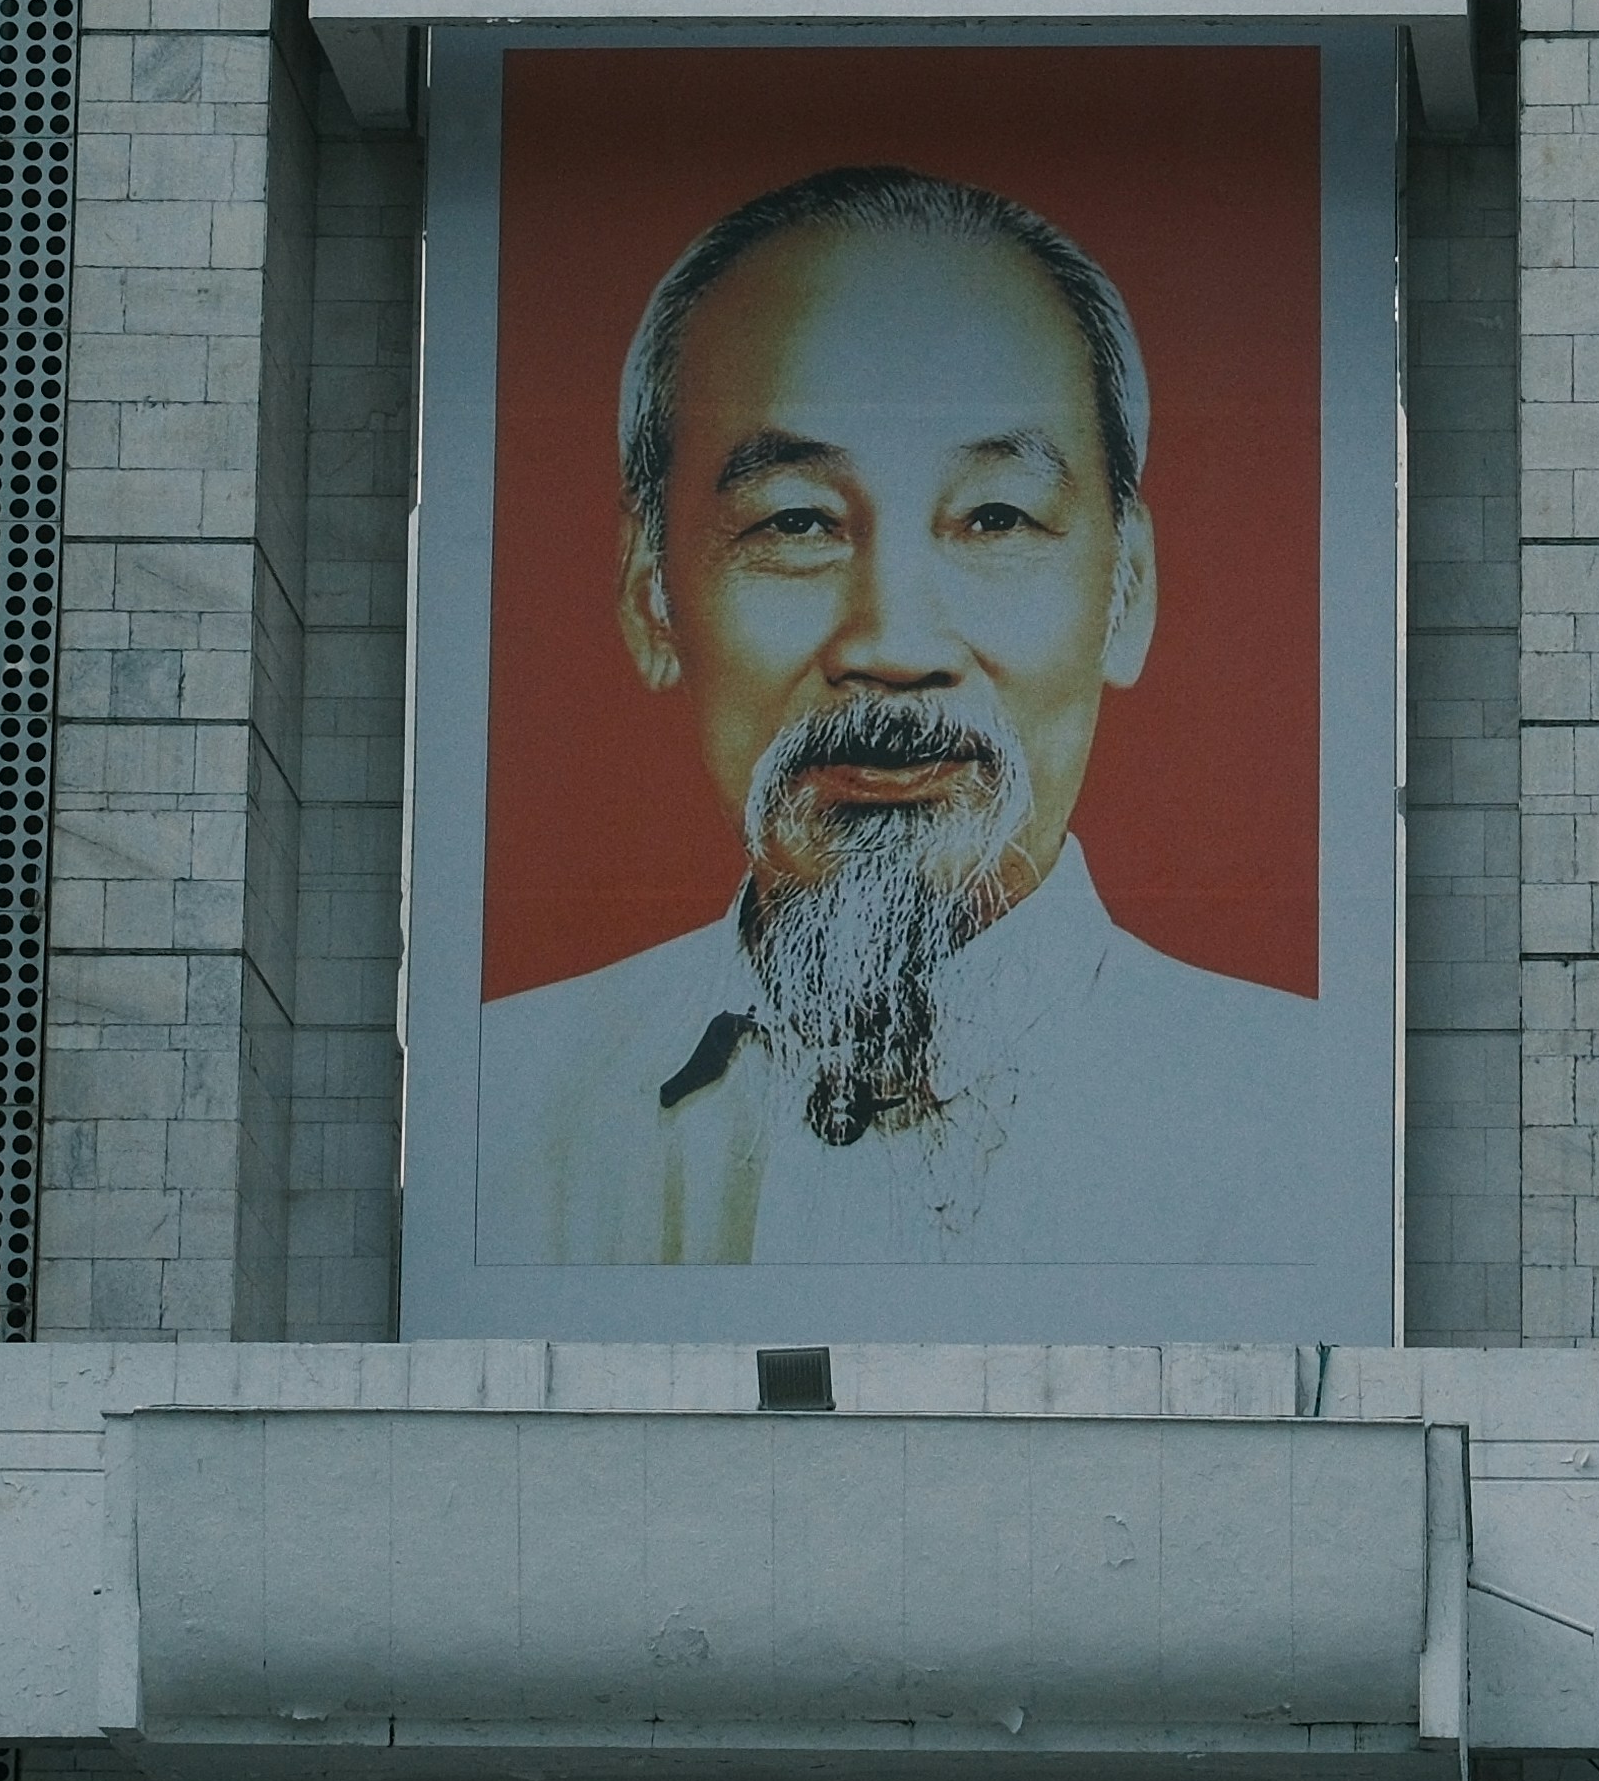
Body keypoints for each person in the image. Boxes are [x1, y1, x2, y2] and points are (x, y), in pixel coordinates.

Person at [478, 162, 1302, 1282]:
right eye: (798, 519)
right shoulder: (494, 1106)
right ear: (650, 597)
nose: (894, 642)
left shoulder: (1301, 1129)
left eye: (997, 516)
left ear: (1129, 593)